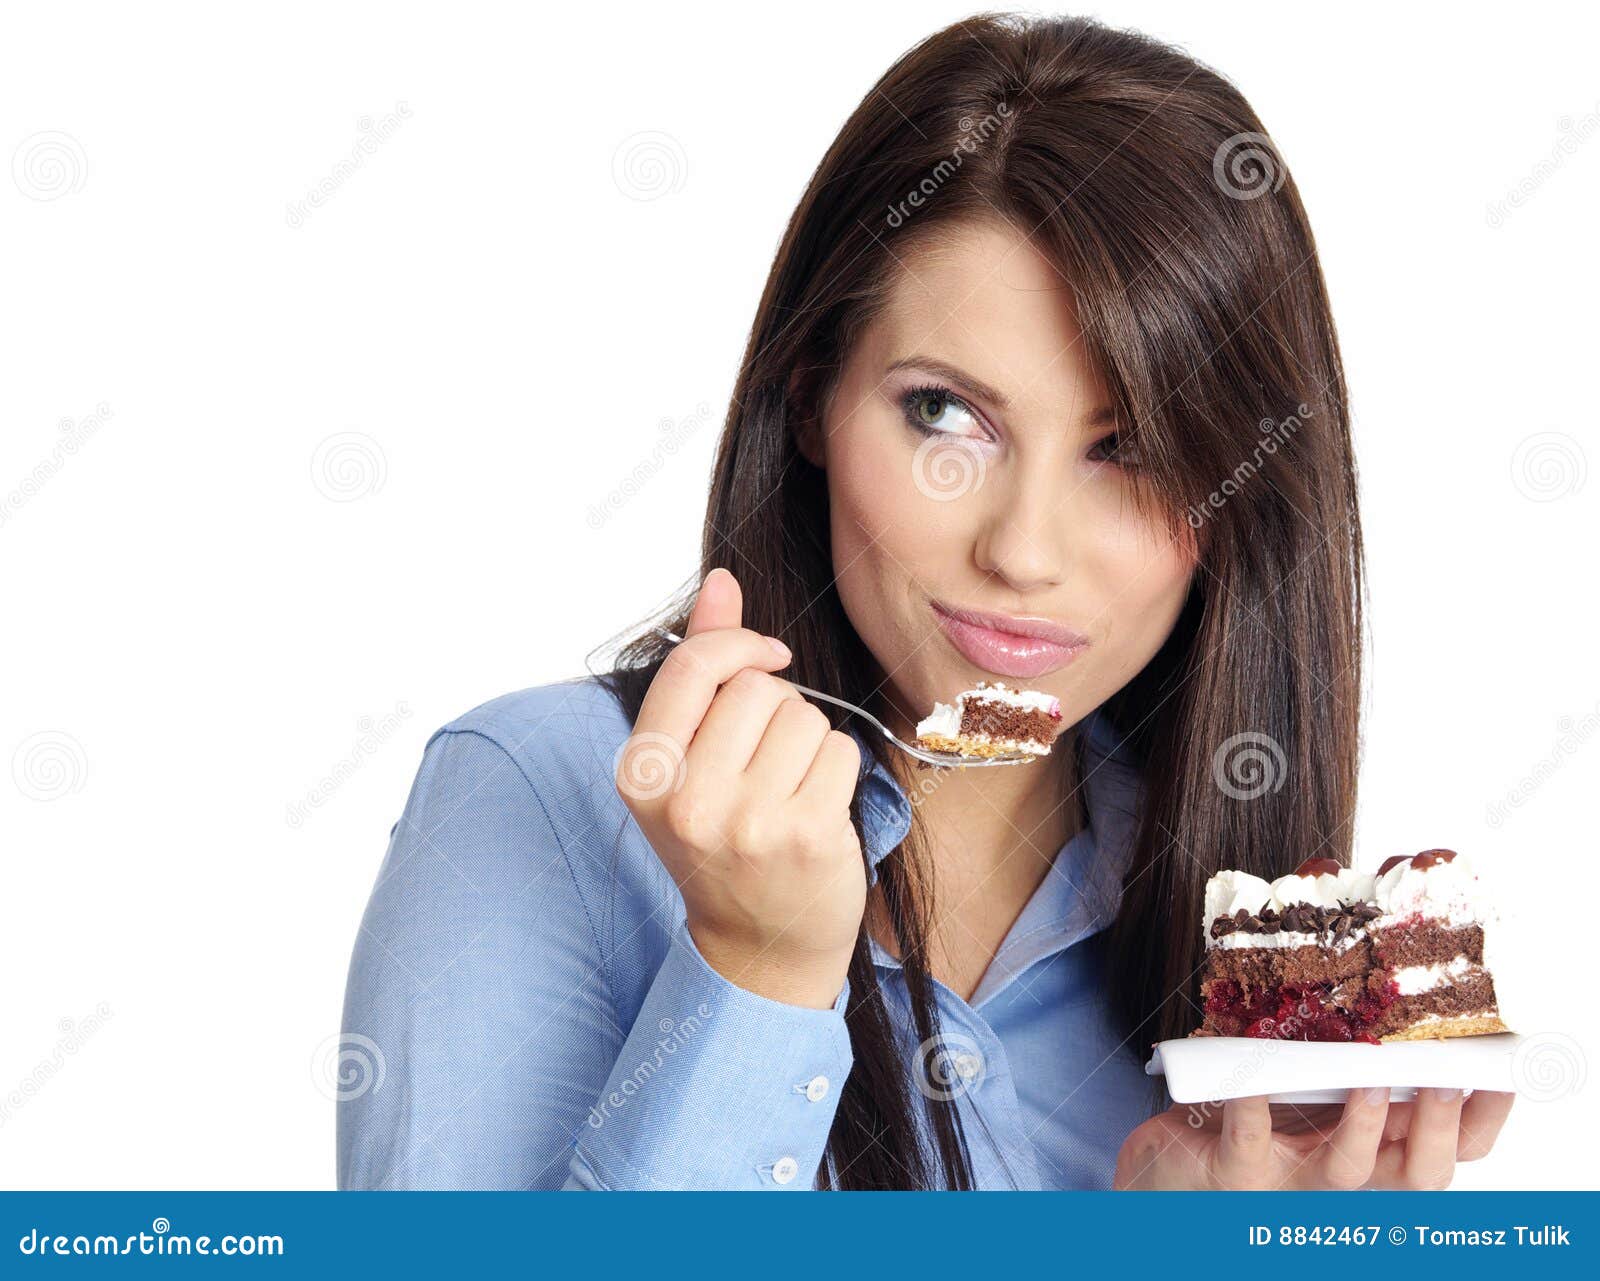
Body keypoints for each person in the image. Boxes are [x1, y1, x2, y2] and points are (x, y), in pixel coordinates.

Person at [338, 12, 1513, 1190]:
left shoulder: (1246, 989)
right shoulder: (536, 799)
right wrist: (755, 976)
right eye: (945, 415)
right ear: (810, 399)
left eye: (1134, 448)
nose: (1022, 551)